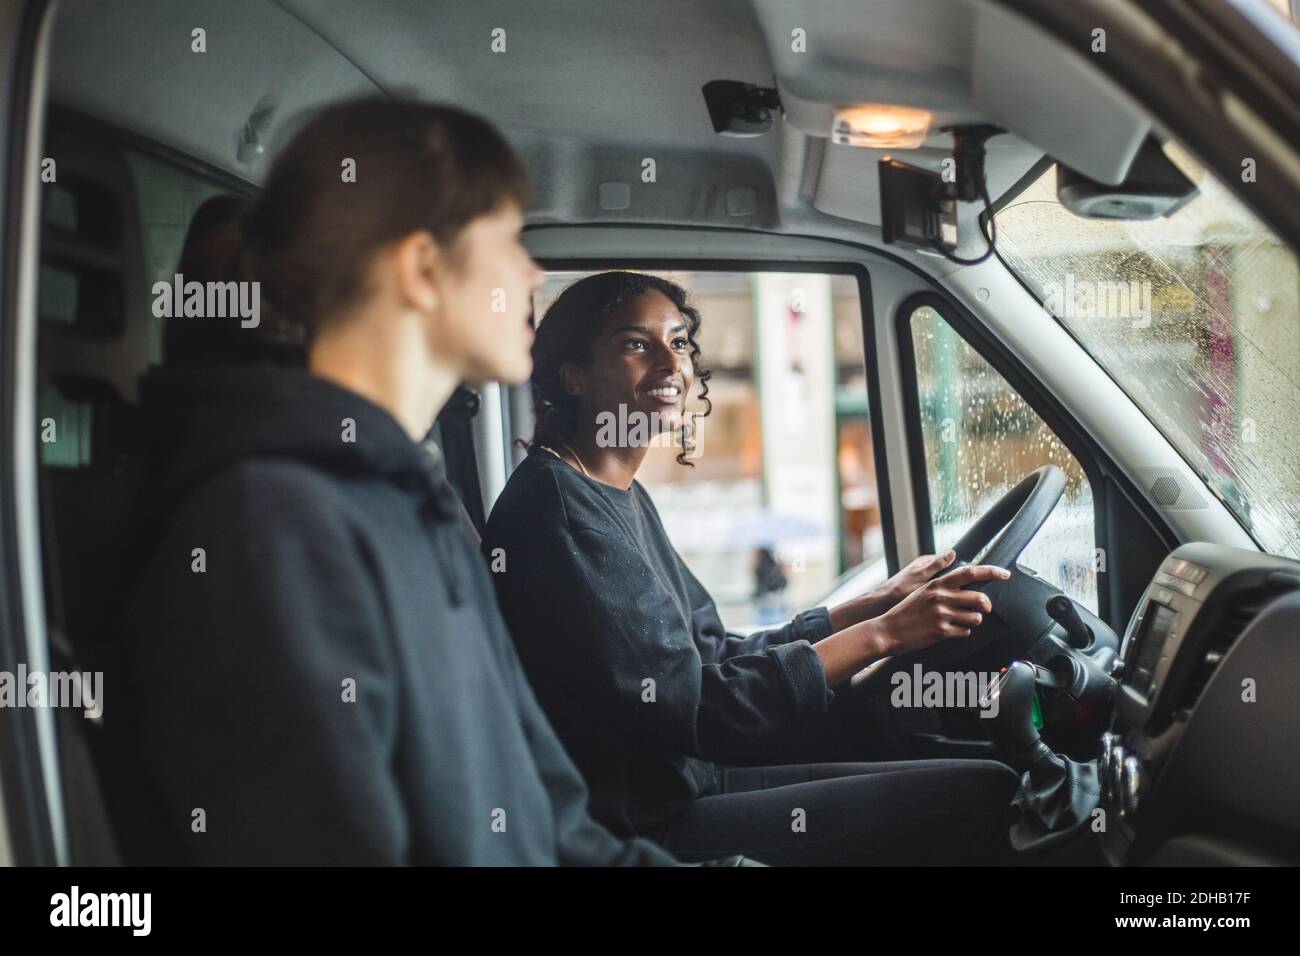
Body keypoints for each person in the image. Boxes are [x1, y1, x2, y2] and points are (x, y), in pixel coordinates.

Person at [120, 100, 692, 865]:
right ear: (423, 269)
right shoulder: (271, 529)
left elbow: (555, 829)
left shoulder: (419, 505)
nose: (531, 272)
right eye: (506, 242)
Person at [483, 271, 1020, 865]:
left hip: (686, 783)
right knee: (986, 793)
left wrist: (873, 606)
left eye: (679, 341)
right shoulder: (562, 510)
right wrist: (886, 635)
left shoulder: (615, 491)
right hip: (640, 826)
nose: (670, 363)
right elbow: (699, 709)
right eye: (636, 344)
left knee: (961, 772)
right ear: (574, 375)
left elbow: (709, 655)